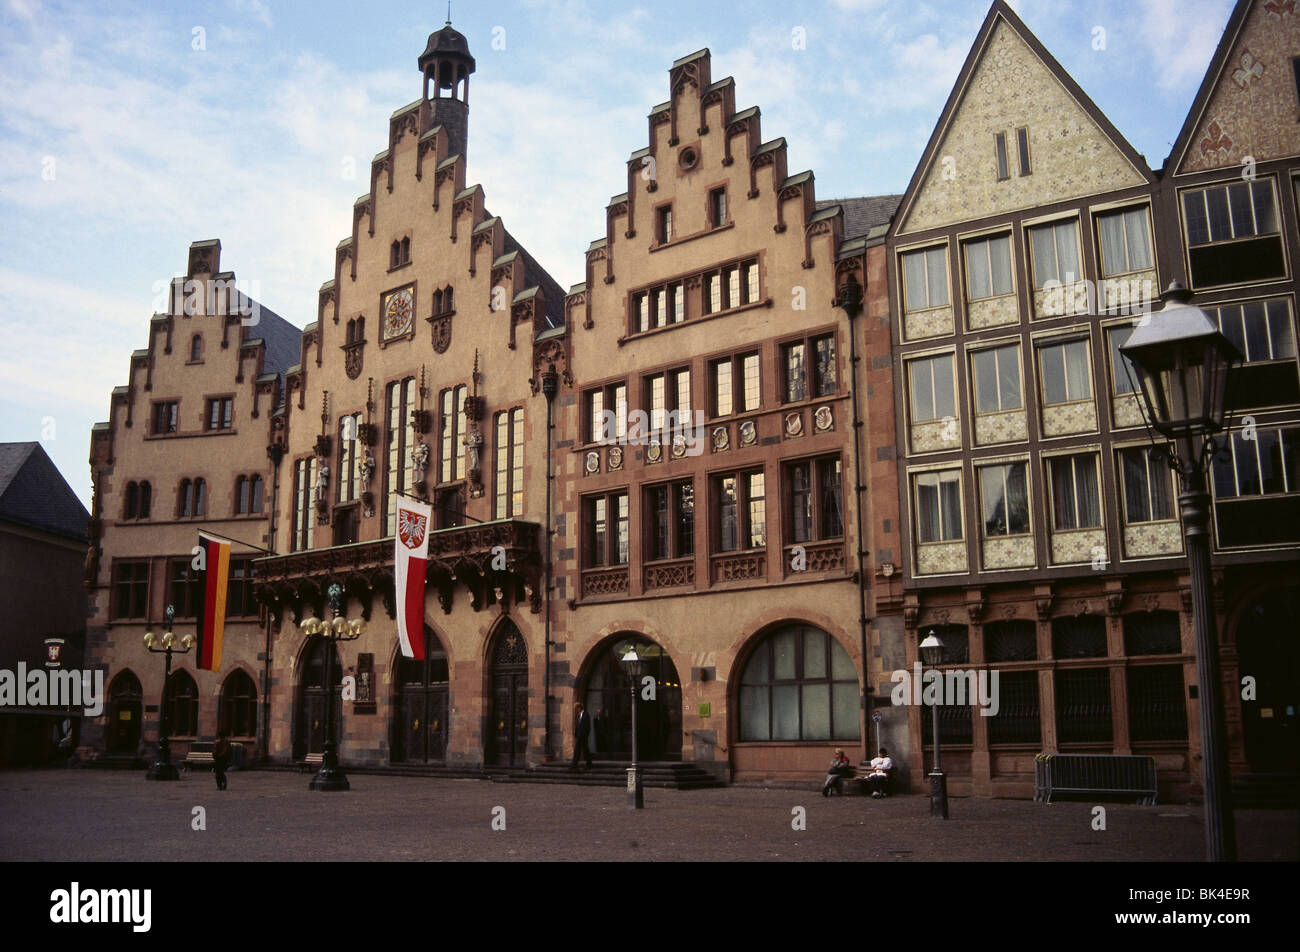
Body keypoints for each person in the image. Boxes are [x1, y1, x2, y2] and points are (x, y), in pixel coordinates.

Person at [570, 702, 592, 770]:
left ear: (579, 708)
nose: (576, 710)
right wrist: (576, 733)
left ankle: (587, 763)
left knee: (584, 750)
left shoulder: (586, 714)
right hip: (579, 736)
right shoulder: (579, 715)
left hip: (583, 736)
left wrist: (585, 735)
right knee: (579, 750)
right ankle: (575, 764)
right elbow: (578, 725)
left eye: (577, 709)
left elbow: (588, 726)